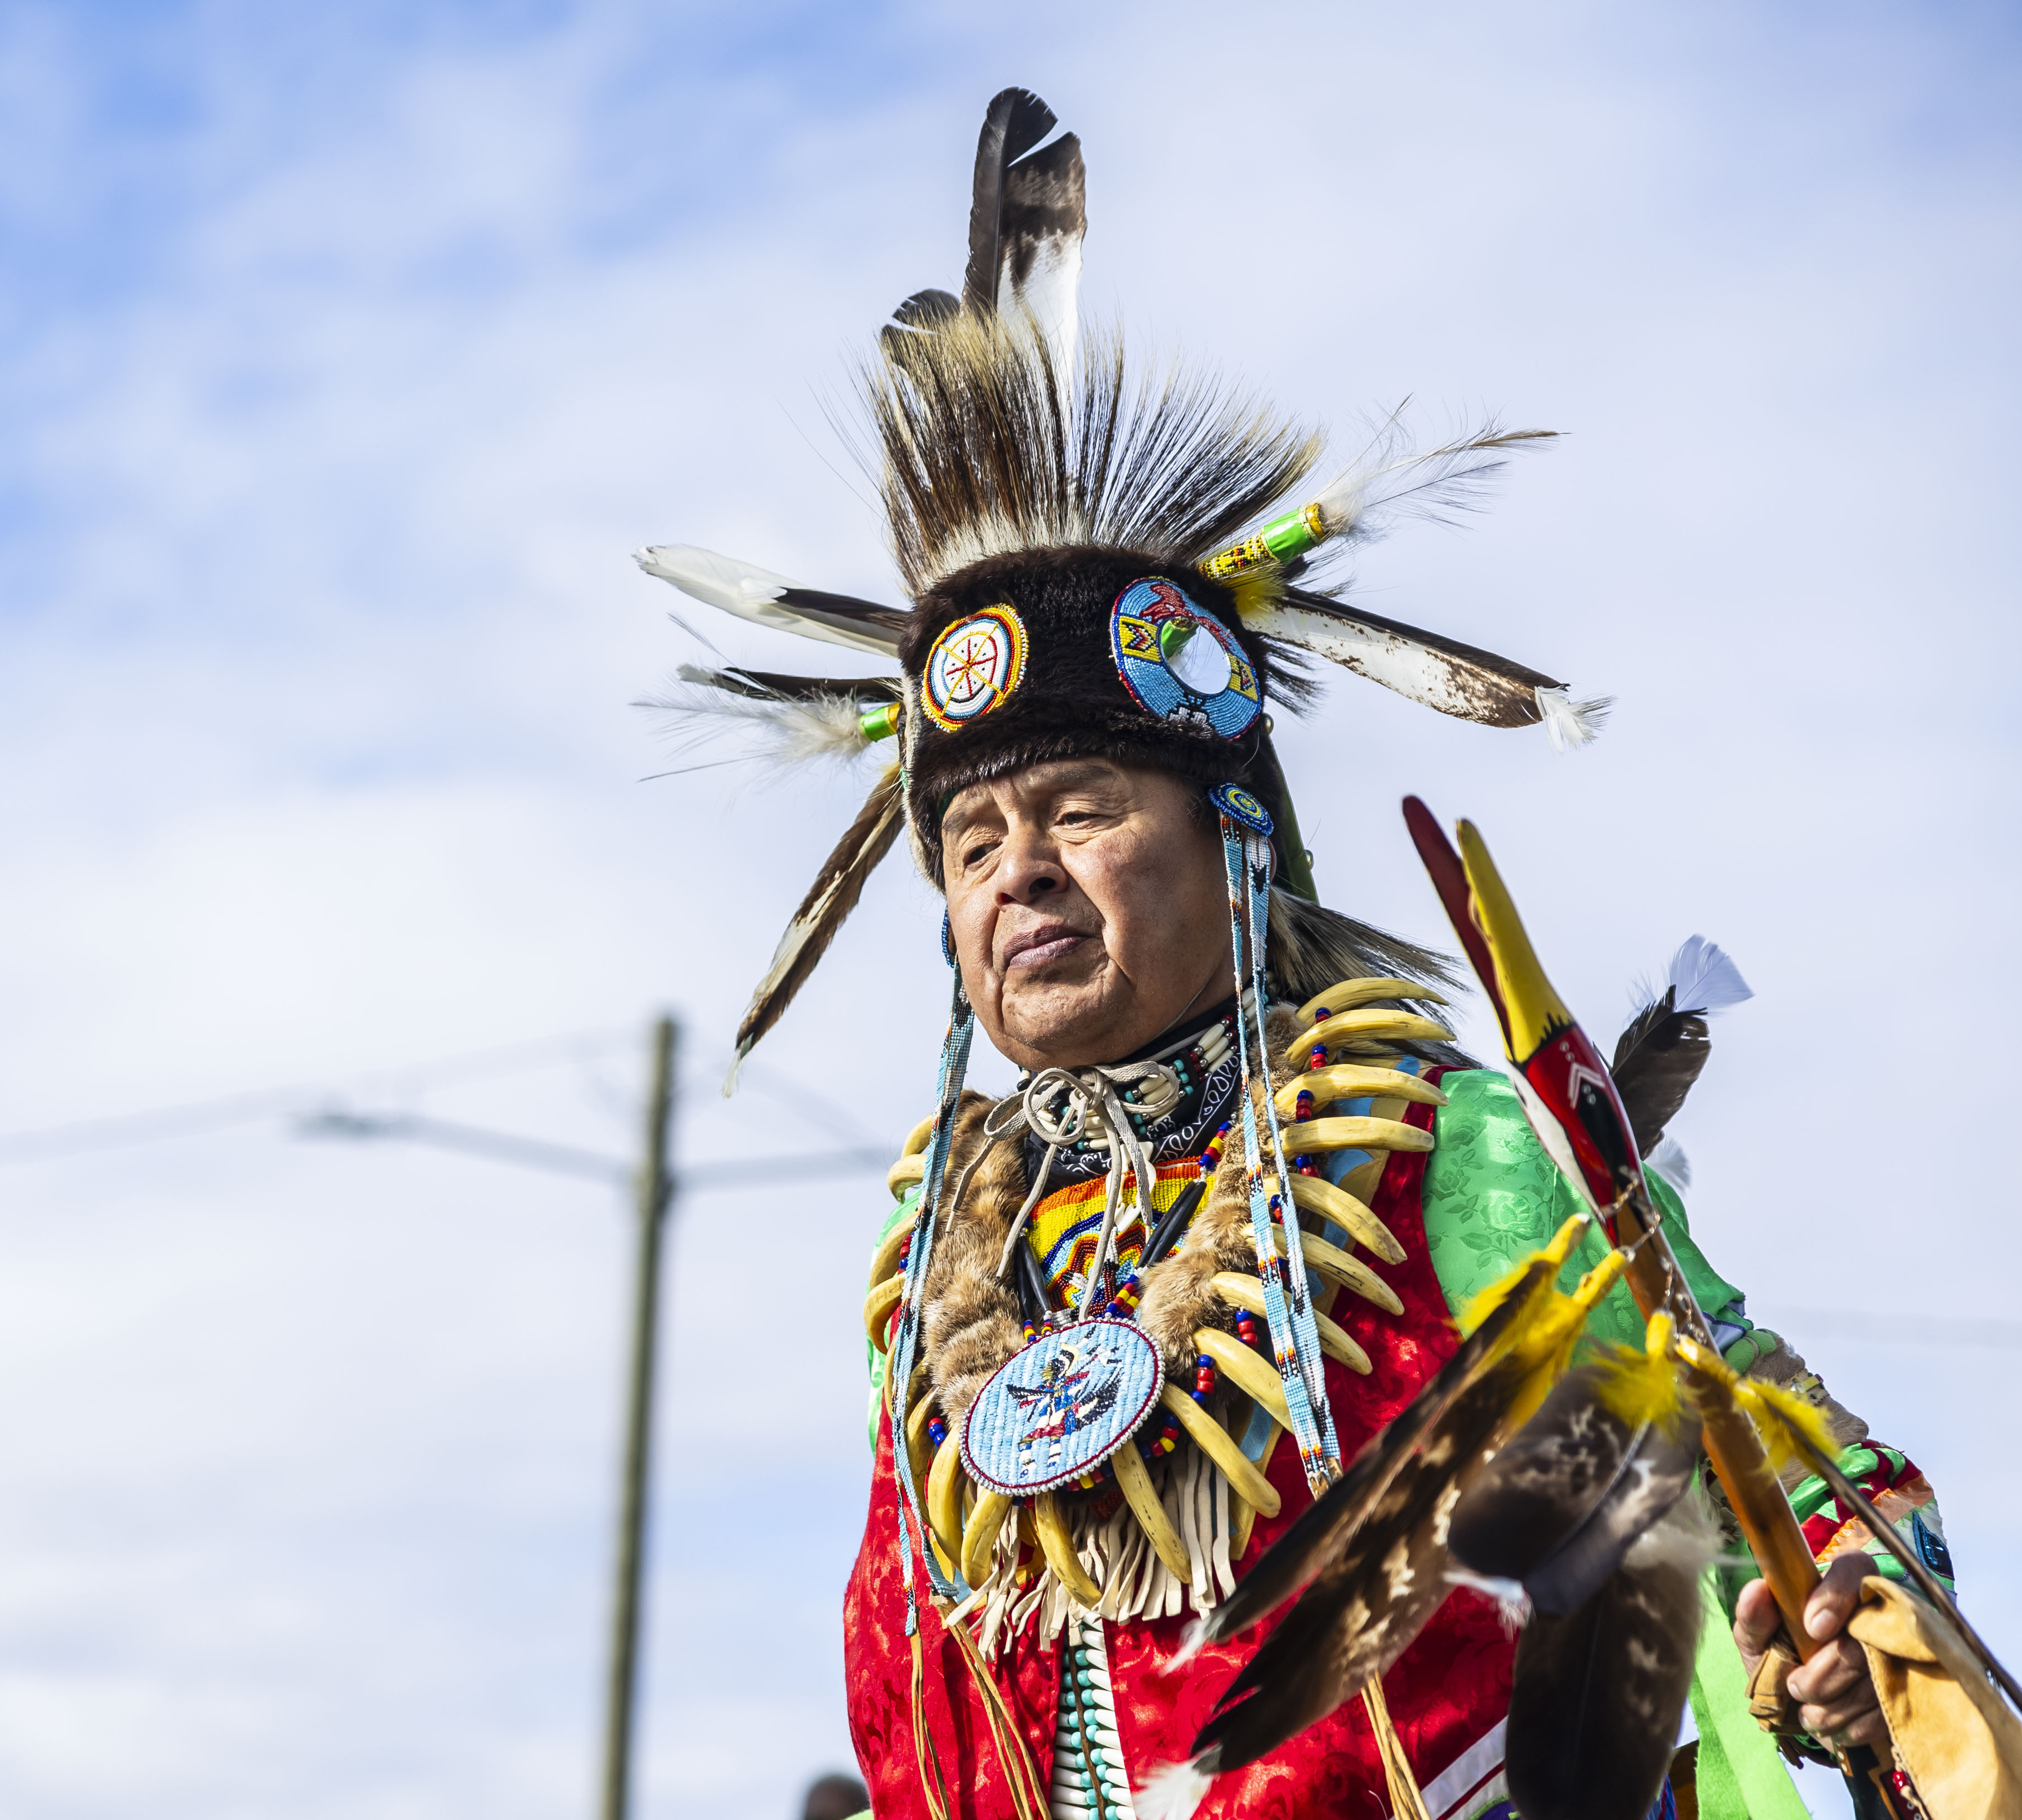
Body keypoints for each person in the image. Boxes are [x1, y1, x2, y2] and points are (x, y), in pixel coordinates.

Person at [636, 86, 1941, 1820]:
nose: (1015, 873)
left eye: (1083, 807)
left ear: (1235, 841)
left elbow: (1777, 1468)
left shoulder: (1444, 1158)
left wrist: (1843, 1620)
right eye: (967, 840)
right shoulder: (941, 1260)